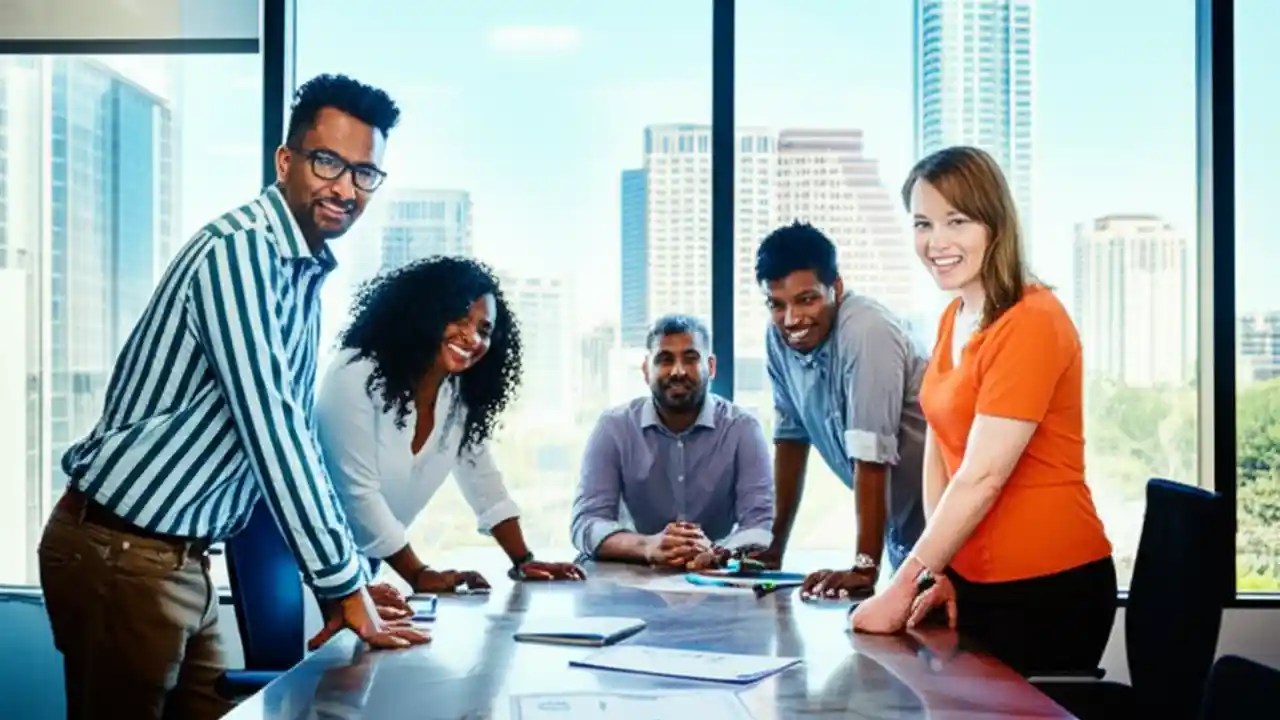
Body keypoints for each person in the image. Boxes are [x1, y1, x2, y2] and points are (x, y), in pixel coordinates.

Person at [37, 74, 428, 720]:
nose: (345, 188)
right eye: (328, 162)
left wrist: (353, 580)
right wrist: (341, 585)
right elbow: (274, 434)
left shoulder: (300, 272)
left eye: (364, 173)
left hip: (181, 558)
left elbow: (298, 436)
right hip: (123, 552)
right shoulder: (242, 252)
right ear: (286, 161)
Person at [850, 146, 1117, 677]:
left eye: (957, 221)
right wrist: (937, 572)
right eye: (923, 223)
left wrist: (901, 588)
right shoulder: (955, 316)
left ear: (994, 224)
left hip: (1047, 588)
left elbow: (982, 475)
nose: (936, 242)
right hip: (974, 582)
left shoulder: (1032, 321)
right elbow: (939, 447)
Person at [316, 255, 585, 592]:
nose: (473, 338)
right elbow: (356, 493)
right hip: (296, 557)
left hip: (361, 561)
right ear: (425, 313)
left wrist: (523, 560)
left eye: (484, 330)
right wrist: (418, 574)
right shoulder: (355, 373)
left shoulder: (455, 397)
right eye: (460, 318)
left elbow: (482, 479)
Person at [752, 222, 929, 599]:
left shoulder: (867, 330)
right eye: (777, 305)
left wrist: (864, 567)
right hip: (902, 534)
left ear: (837, 287)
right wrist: (773, 548)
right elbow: (791, 439)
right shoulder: (778, 338)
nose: (792, 320)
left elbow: (870, 453)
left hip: (951, 527)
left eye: (807, 300)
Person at [570, 314, 775, 569]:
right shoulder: (614, 427)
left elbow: (759, 524)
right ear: (646, 370)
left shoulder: (743, 429)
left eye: (690, 358)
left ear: (711, 367)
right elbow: (587, 522)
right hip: (630, 575)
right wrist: (647, 546)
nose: (678, 371)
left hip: (715, 576)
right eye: (665, 360)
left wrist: (716, 554)